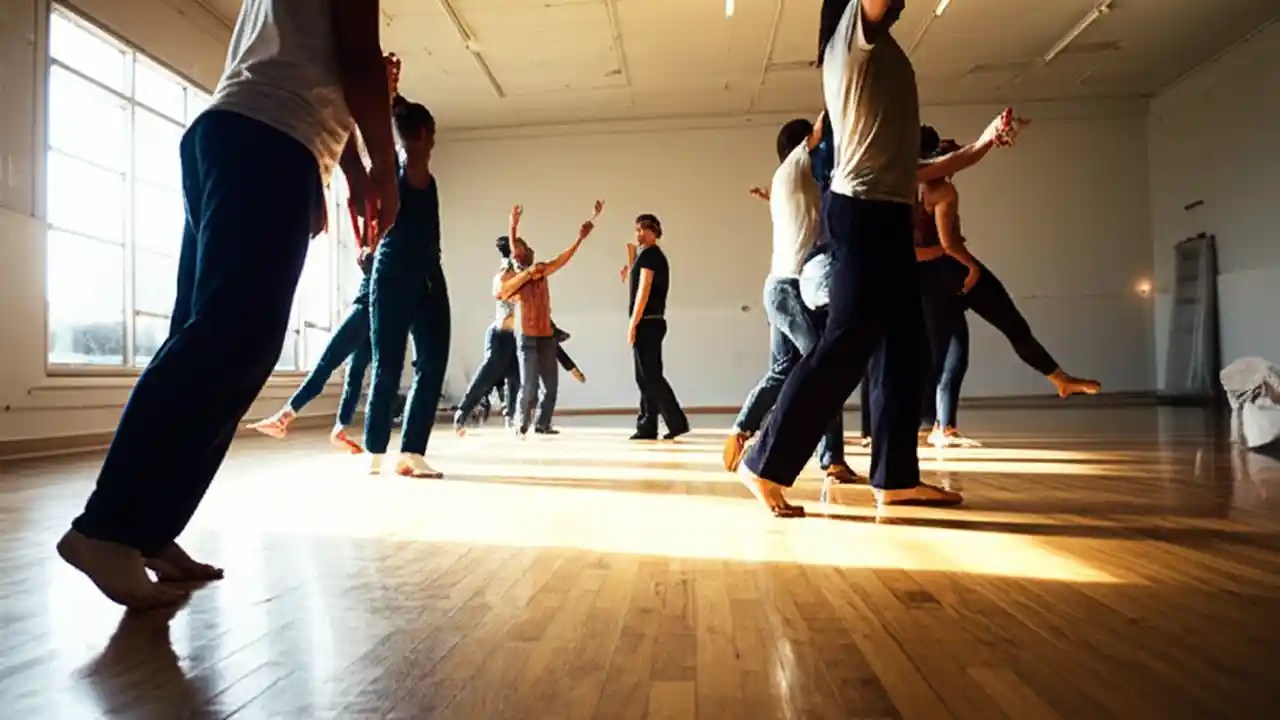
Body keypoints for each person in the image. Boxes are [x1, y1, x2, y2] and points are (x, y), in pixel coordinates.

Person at [57, 0, 398, 608]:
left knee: (206, 336)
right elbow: (359, 63)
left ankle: (148, 532)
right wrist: (382, 173)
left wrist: (337, 169)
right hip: (268, 139)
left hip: (235, 134)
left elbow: (333, 71)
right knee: (232, 341)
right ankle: (106, 529)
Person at [736, 0, 1015, 516]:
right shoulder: (852, 34)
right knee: (845, 344)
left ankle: (896, 478)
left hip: (887, 214)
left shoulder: (883, 53)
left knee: (905, 351)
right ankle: (765, 462)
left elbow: (918, 167)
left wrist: (982, 144)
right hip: (862, 211)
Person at [246, 55, 407, 453]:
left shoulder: (394, 209)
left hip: (370, 302)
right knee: (356, 371)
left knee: (330, 361)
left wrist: (389, 93)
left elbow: (386, 149)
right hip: (378, 301)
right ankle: (338, 427)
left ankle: (287, 413)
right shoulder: (382, 219)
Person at [916, 128, 1100, 447]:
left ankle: (939, 425)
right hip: (951, 270)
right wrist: (970, 265)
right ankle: (1058, 378)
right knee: (1009, 324)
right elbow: (948, 243)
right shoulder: (941, 190)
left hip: (924, 278)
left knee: (950, 352)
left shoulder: (898, 188)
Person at [723, 116, 860, 487]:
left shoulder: (797, 182)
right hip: (787, 289)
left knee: (783, 371)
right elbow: (818, 128)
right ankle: (829, 458)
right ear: (804, 144)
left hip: (783, 289)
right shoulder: (795, 164)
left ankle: (741, 429)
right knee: (824, 365)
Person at [363, 96, 450, 477]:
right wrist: (386, 99)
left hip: (427, 275)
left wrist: (390, 97)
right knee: (390, 363)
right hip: (397, 272)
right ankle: (378, 453)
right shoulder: (401, 170)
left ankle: (409, 452)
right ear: (424, 135)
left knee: (429, 361)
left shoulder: (418, 175)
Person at [452, 239, 586, 435]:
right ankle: (462, 414)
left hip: (519, 336)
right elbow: (502, 288)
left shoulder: (532, 277)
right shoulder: (509, 273)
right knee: (486, 378)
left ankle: (516, 421)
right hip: (500, 336)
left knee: (518, 381)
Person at [496, 202, 602, 437]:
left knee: (551, 388)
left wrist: (580, 238)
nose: (528, 249)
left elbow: (563, 259)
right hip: (526, 337)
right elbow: (502, 288)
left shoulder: (540, 271)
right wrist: (512, 226)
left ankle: (542, 424)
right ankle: (521, 424)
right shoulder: (514, 277)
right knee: (529, 386)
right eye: (523, 247)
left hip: (545, 337)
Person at [626, 214, 690, 441]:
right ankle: (647, 426)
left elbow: (643, 291)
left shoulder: (651, 256)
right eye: (637, 229)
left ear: (654, 231)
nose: (639, 233)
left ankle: (676, 421)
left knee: (650, 376)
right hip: (652, 322)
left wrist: (633, 324)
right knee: (645, 377)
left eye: (643, 229)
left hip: (648, 322)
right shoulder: (648, 256)